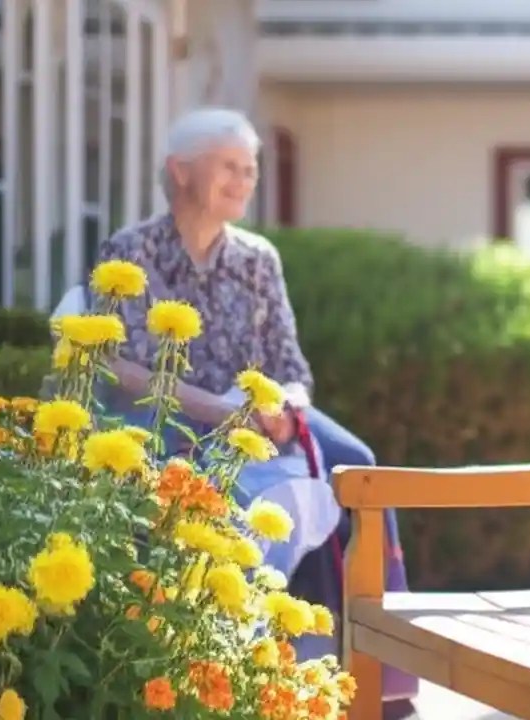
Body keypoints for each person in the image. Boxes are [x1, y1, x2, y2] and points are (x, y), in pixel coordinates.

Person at [92, 107, 417, 702]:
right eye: (229, 167)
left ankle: (383, 664)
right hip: (168, 414)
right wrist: (217, 410)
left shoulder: (259, 259)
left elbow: (292, 369)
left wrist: (283, 404)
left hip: (254, 411)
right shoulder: (128, 249)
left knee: (359, 463)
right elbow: (115, 366)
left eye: (251, 169)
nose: (244, 180)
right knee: (174, 477)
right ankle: (192, 651)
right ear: (181, 171)